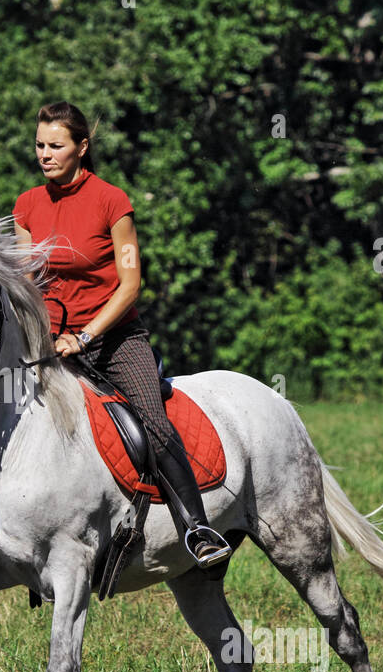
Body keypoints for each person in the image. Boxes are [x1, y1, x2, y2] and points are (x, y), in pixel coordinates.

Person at [12, 101, 232, 570]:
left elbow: (130, 284)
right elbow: (27, 280)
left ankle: (197, 528)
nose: (44, 154)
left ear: (81, 147)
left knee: (152, 420)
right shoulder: (27, 205)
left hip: (113, 340)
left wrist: (85, 338)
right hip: (49, 344)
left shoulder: (112, 201)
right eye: (39, 145)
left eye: (55, 145)